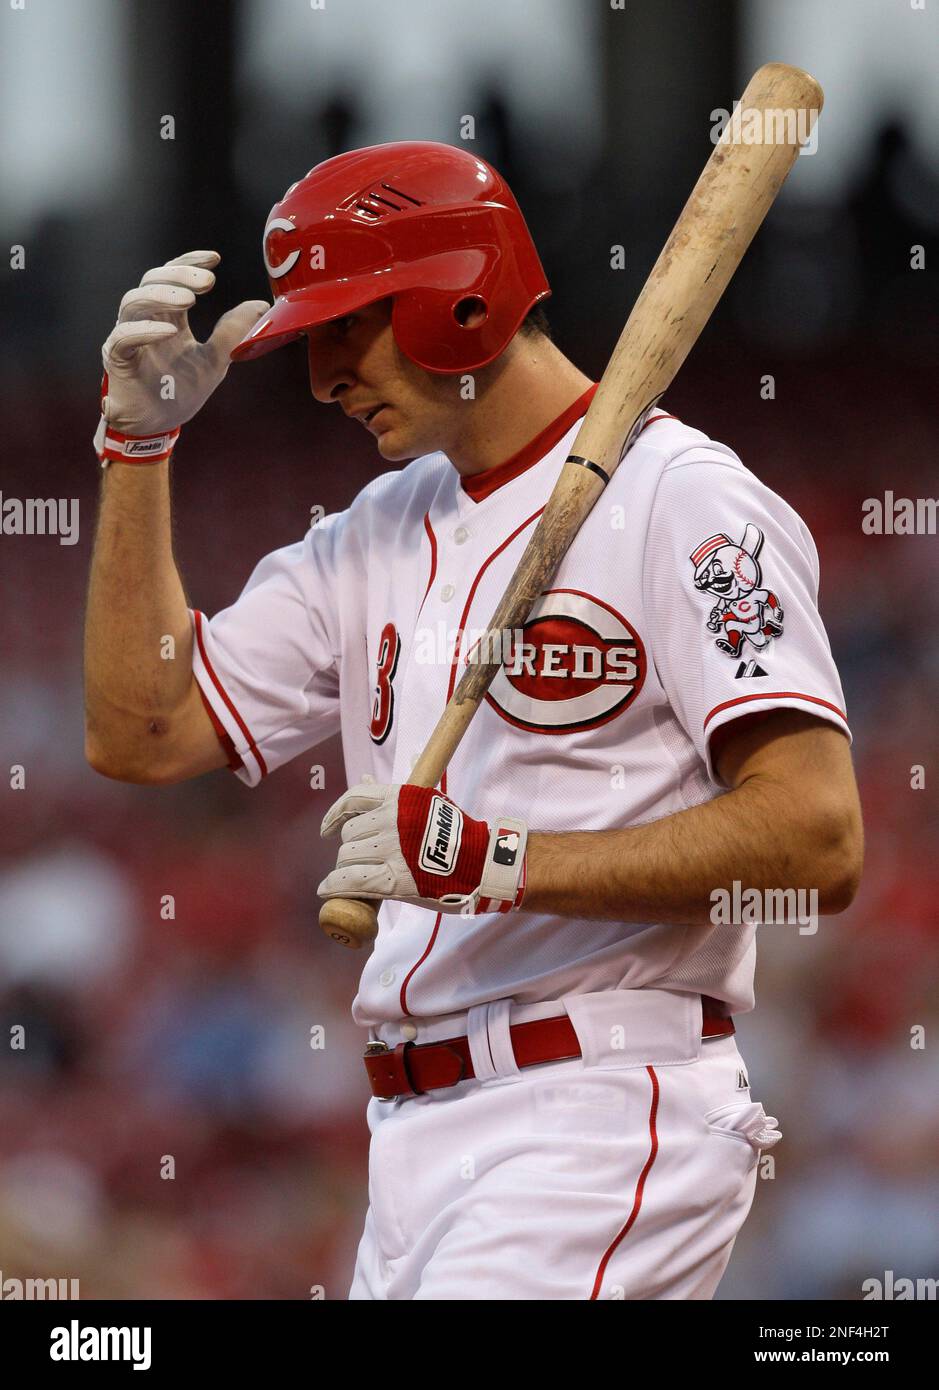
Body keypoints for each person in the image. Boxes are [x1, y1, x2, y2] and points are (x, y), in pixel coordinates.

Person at [84, 141, 864, 1300]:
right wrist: (136, 447)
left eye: (349, 325)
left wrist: (489, 860)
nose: (324, 375)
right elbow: (140, 733)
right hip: (411, 1139)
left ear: (463, 295)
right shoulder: (375, 527)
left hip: (599, 1108)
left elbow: (819, 841)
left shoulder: (684, 499)